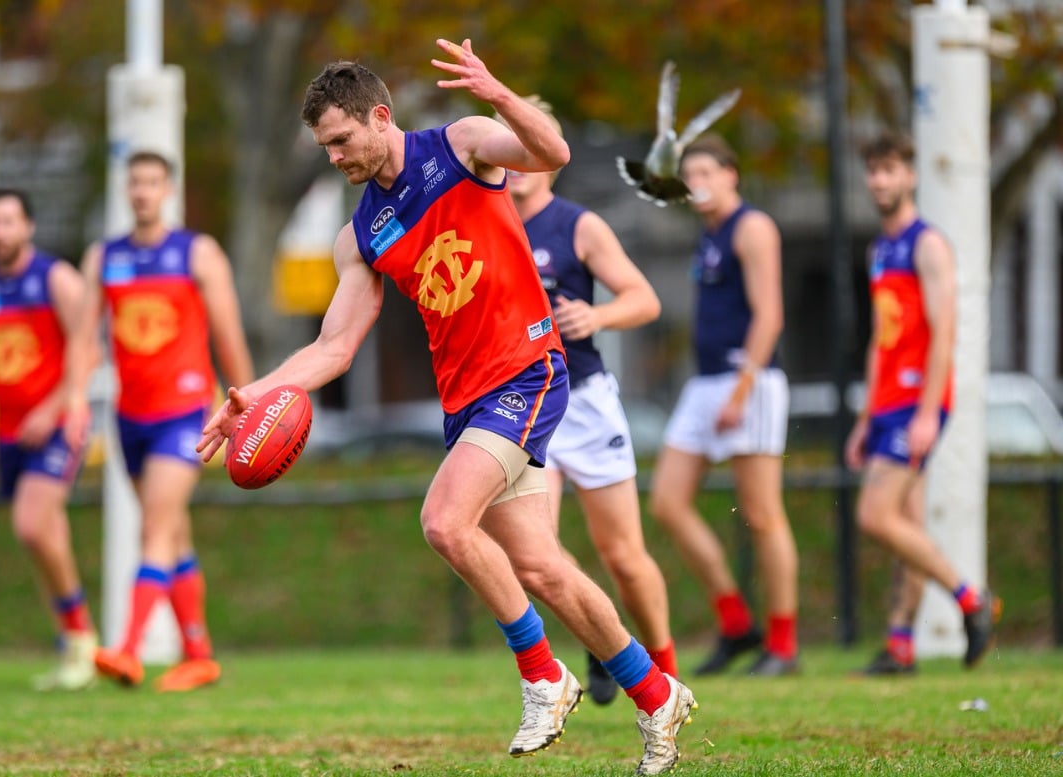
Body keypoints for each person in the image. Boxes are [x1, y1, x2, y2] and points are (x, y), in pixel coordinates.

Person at [198, 42, 697, 774]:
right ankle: (657, 695)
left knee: (442, 519)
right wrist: (259, 396)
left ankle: (543, 676)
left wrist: (498, 89)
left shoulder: (460, 146)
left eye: (342, 140)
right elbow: (335, 346)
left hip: (526, 372)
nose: (334, 156)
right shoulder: (360, 234)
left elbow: (550, 147)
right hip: (466, 399)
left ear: (379, 116)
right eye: (323, 146)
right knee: (543, 567)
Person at [503, 96, 678, 704]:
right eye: (511, 143)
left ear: (552, 158)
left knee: (625, 556)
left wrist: (596, 313)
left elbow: (645, 298)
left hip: (584, 401)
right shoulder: (487, 221)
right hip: (523, 408)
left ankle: (665, 669)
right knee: (538, 552)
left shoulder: (578, 225)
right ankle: (608, 642)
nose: (520, 158)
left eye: (533, 145)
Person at [65, 150, 254, 692]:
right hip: (130, 417)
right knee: (171, 532)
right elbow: (82, 339)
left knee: (153, 526)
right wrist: (76, 399)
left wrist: (245, 404)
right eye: (135, 183)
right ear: (126, 190)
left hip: (185, 411)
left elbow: (229, 336)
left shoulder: (196, 253)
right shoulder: (104, 257)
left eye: (153, 182)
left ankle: (128, 650)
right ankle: (199, 654)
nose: (143, 191)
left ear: (168, 189)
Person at [647, 135, 800, 677]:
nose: (698, 183)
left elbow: (769, 316)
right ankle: (736, 623)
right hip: (705, 381)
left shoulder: (752, 227)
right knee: (667, 502)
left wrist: (741, 391)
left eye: (708, 171)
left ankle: (783, 645)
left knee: (761, 514)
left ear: (732, 173)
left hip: (747, 380)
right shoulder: (707, 235)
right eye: (690, 174)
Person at [848, 131, 999, 674]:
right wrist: (865, 417)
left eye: (889, 169)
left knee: (875, 515)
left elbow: (944, 331)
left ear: (911, 175)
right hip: (888, 402)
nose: (880, 180)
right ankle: (900, 645)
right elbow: (879, 336)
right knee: (905, 523)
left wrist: (930, 410)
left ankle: (969, 599)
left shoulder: (926, 243)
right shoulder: (879, 247)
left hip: (917, 401)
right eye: (873, 170)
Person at [0, 188, 98, 691]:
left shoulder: (56, 278)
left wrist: (55, 407)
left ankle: (80, 638)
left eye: (8, 221)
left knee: (32, 526)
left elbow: (89, 353)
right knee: (45, 537)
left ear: (28, 226)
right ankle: (74, 645)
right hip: (10, 431)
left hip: (59, 424)